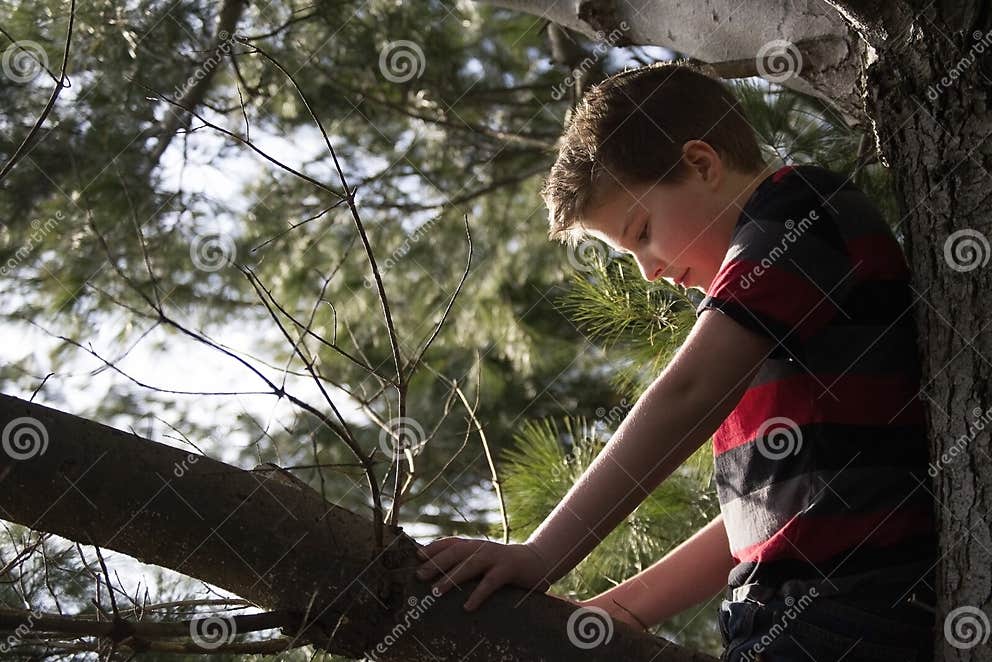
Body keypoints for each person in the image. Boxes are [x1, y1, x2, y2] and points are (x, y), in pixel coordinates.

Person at [415, 62, 938, 661]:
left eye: (641, 232)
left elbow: (687, 394)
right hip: (792, 616)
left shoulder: (801, 210)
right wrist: (601, 616)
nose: (648, 270)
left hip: (851, 612)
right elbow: (754, 526)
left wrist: (541, 555)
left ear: (701, 164)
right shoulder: (777, 310)